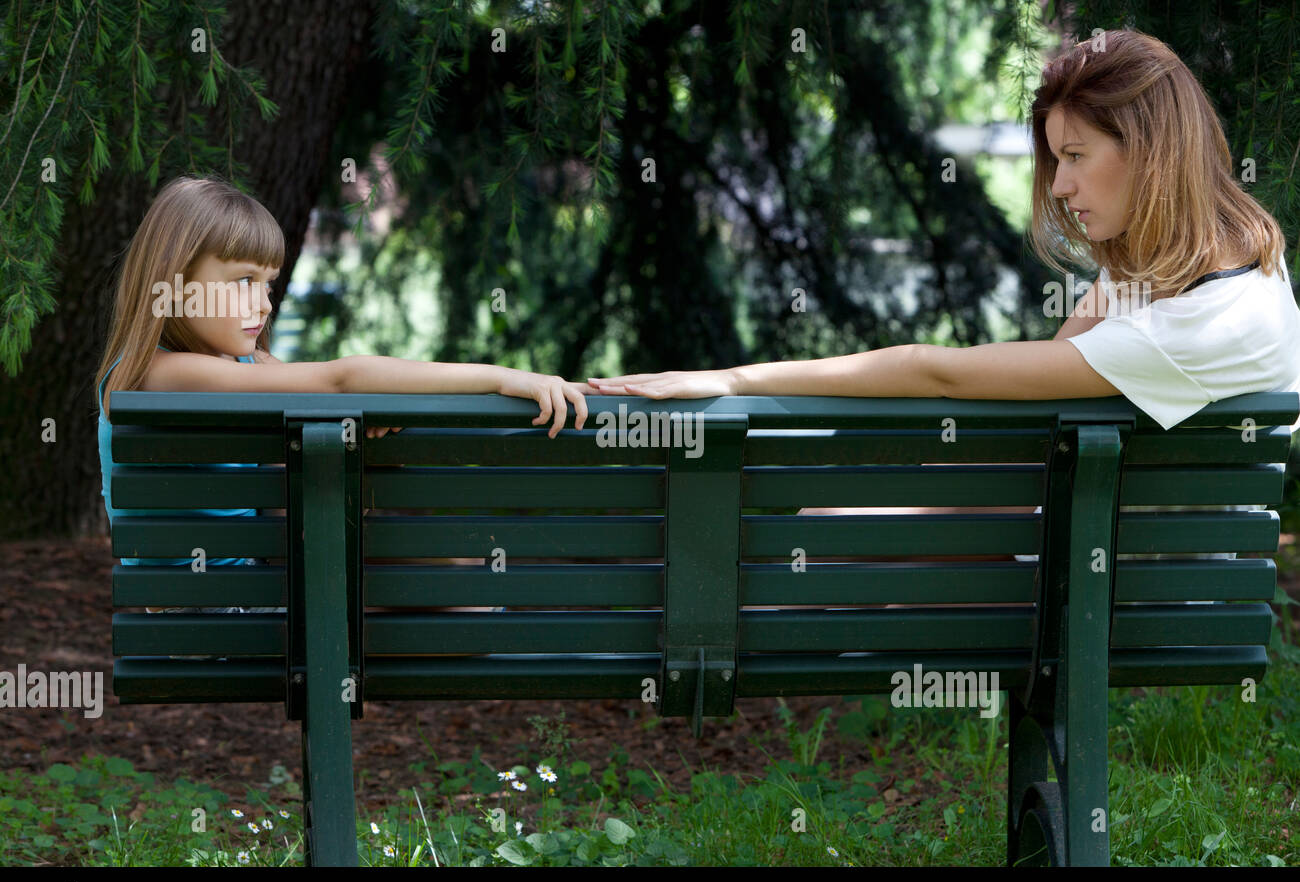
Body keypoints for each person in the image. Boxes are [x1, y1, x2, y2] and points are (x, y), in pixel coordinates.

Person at [584, 28, 1300, 580]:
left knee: (815, 539)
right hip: (1107, 563)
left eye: (1076, 156)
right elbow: (1039, 410)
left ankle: (698, 651)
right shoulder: (1221, 270)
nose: (1058, 187)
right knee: (827, 525)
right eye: (1057, 161)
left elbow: (941, 373)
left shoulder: (1200, 324)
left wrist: (734, 380)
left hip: (1116, 587)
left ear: (1148, 149)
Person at [96, 175, 590, 616]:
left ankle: (462, 601)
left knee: (424, 556)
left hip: (253, 591)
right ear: (175, 281)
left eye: (268, 283)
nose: (263, 304)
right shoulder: (163, 374)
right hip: (215, 612)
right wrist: (501, 378)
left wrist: (355, 416)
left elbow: (324, 399)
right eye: (243, 280)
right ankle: (470, 606)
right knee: (447, 587)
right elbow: (338, 380)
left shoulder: (232, 367)